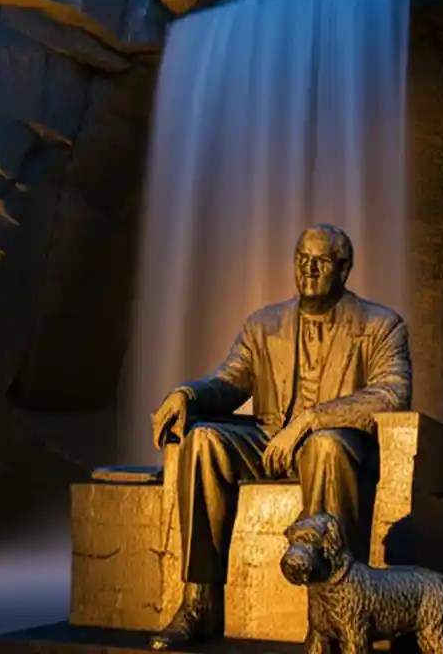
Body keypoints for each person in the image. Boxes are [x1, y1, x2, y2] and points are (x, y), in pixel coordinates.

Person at [149, 223, 412, 649]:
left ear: (344, 270)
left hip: (335, 448)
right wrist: (187, 394)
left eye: (320, 261)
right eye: (300, 259)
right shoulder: (263, 324)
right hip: (269, 439)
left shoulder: (381, 325)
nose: (307, 269)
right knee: (203, 440)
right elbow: (228, 381)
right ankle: (200, 602)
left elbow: (392, 393)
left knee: (325, 446)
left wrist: (312, 419)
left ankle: (326, 622)